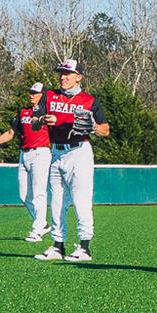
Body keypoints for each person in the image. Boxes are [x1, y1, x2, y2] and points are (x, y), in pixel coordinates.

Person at [35, 59, 108, 262]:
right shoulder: (49, 96)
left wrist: (93, 126)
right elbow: (33, 121)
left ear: (78, 77)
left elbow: (105, 130)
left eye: (67, 73)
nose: (63, 77)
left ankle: (85, 248)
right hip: (56, 153)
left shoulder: (89, 100)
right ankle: (58, 246)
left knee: (81, 200)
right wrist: (41, 120)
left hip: (79, 152)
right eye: (61, 73)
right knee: (57, 202)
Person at [0, 82, 53, 242]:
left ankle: (37, 230)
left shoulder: (48, 112)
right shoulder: (23, 112)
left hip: (40, 153)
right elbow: (10, 134)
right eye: (30, 92)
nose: (31, 95)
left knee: (39, 192)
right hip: (24, 154)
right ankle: (43, 224)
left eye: (35, 92)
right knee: (24, 195)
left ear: (42, 95)